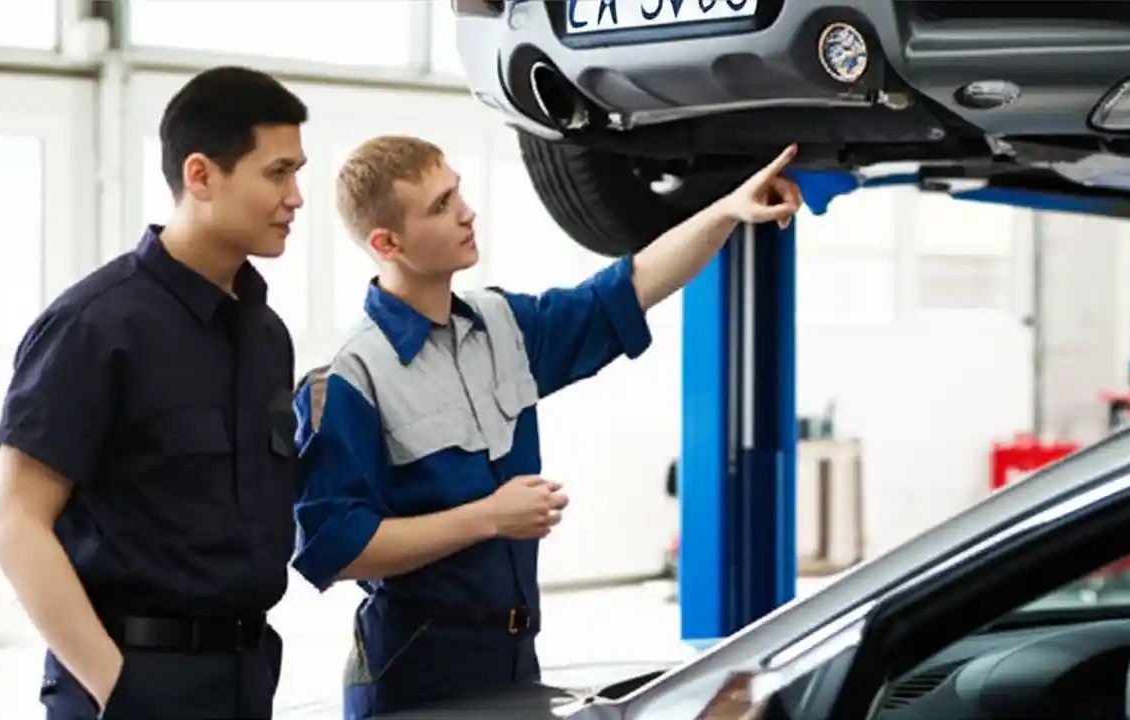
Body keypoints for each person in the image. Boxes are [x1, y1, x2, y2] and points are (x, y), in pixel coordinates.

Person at [291, 135, 802, 718]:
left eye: (456, 191)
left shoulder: (501, 324)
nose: (466, 211)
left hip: (513, 653)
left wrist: (727, 211)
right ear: (388, 243)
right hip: (414, 671)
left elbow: (625, 290)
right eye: (439, 206)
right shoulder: (353, 377)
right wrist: (490, 517)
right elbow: (341, 550)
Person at [0, 66, 308, 720]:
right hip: (131, 682)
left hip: (245, 677)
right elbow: (17, 526)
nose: (296, 196)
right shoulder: (96, 326)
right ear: (201, 175)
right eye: (277, 172)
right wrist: (118, 688)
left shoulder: (266, 336)